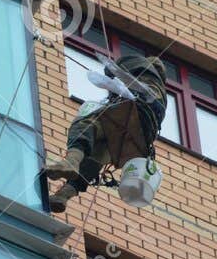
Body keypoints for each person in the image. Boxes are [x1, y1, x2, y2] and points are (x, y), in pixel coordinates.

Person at [44, 52, 168, 213]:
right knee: (96, 158)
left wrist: (111, 71)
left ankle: (71, 160)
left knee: (86, 124)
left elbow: (114, 69)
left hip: (129, 114)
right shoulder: (162, 96)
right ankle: (64, 195)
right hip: (138, 138)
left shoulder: (139, 63)